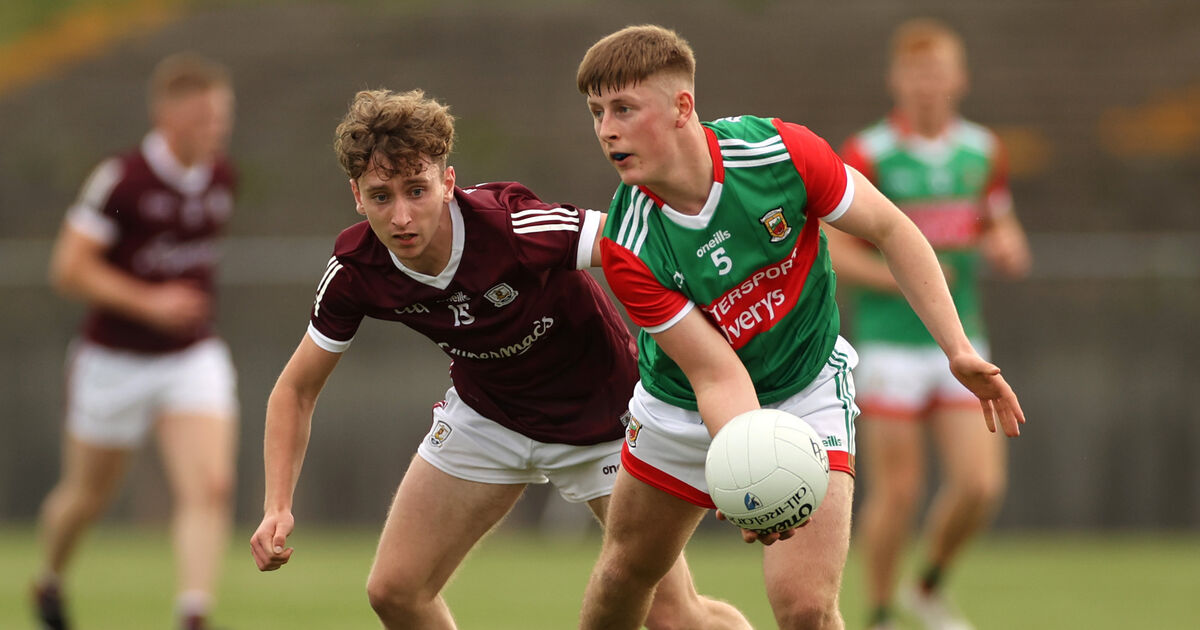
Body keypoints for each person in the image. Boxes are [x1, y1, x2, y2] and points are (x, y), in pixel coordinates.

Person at [574, 24, 1026, 630]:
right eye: (597, 112)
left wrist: (958, 349)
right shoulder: (628, 243)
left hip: (804, 387)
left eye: (624, 109)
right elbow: (714, 373)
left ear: (683, 107)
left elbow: (891, 229)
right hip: (681, 408)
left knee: (807, 608)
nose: (607, 129)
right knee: (629, 580)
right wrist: (749, 462)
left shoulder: (778, 154)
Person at [248, 88, 750, 630]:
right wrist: (277, 506)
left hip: (604, 420)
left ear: (448, 183)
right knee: (395, 591)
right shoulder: (355, 270)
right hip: (489, 418)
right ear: (356, 195)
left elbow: (636, 242)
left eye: (417, 190)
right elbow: (296, 389)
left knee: (675, 619)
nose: (401, 217)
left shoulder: (513, 227)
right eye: (380, 196)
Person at [828, 18, 1032, 630]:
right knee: (900, 491)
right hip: (892, 344)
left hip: (961, 340)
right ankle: (882, 611)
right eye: (917, 73)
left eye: (939, 72)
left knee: (979, 486)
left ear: (960, 79)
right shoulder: (869, 153)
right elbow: (836, 249)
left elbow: (998, 222)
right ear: (896, 80)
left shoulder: (982, 151)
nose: (928, 85)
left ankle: (928, 586)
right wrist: (906, 276)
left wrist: (1009, 247)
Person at [33, 53, 238, 630]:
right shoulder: (123, 178)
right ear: (168, 117)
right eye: (205, 116)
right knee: (86, 497)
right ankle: (49, 578)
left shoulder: (222, 177)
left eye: (222, 116)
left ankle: (193, 614)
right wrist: (149, 302)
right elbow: (68, 268)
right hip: (113, 362)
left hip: (191, 355)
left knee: (211, 486)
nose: (217, 128)